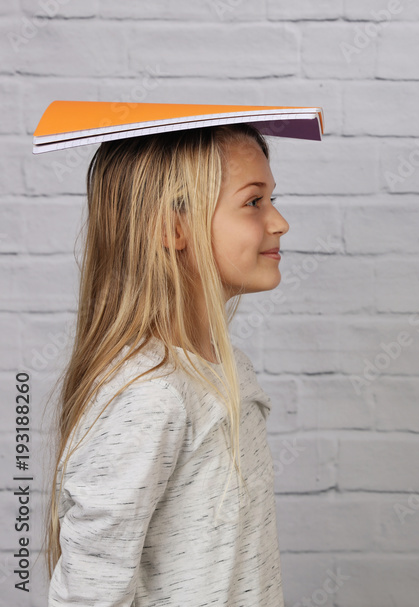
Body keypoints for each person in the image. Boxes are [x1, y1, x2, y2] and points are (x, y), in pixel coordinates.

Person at [46, 123, 290, 605]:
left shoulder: (227, 367)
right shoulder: (149, 394)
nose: (279, 221)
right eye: (253, 202)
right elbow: (89, 594)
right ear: (172, 227)